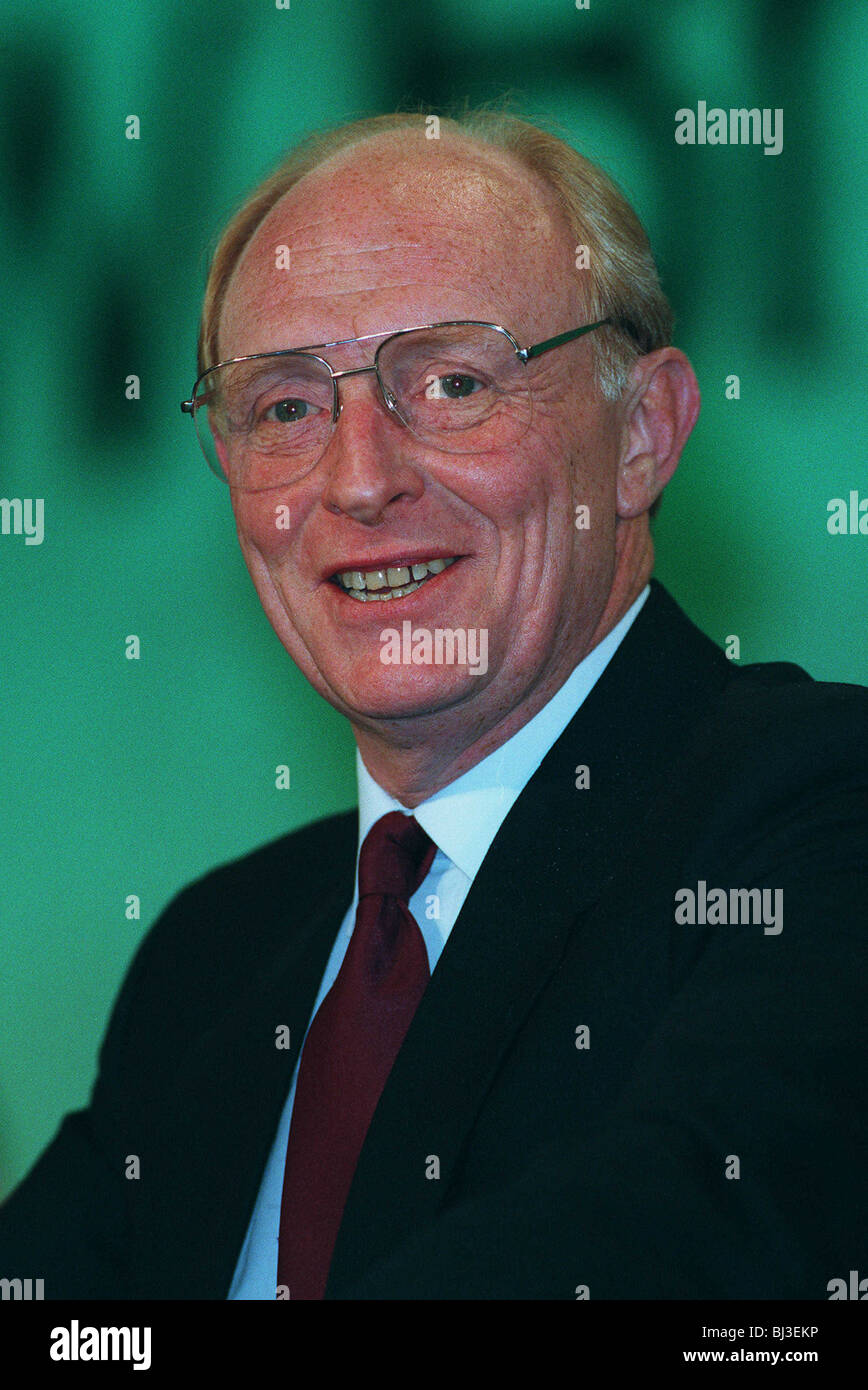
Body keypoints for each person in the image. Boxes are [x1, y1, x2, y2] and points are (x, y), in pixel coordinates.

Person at [1, 111, 865, 1301]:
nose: (359, 478)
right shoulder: (216, 955)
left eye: (452, 382)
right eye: (287, 408)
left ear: (644, 435)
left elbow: (681, 1250)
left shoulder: (819, 813)